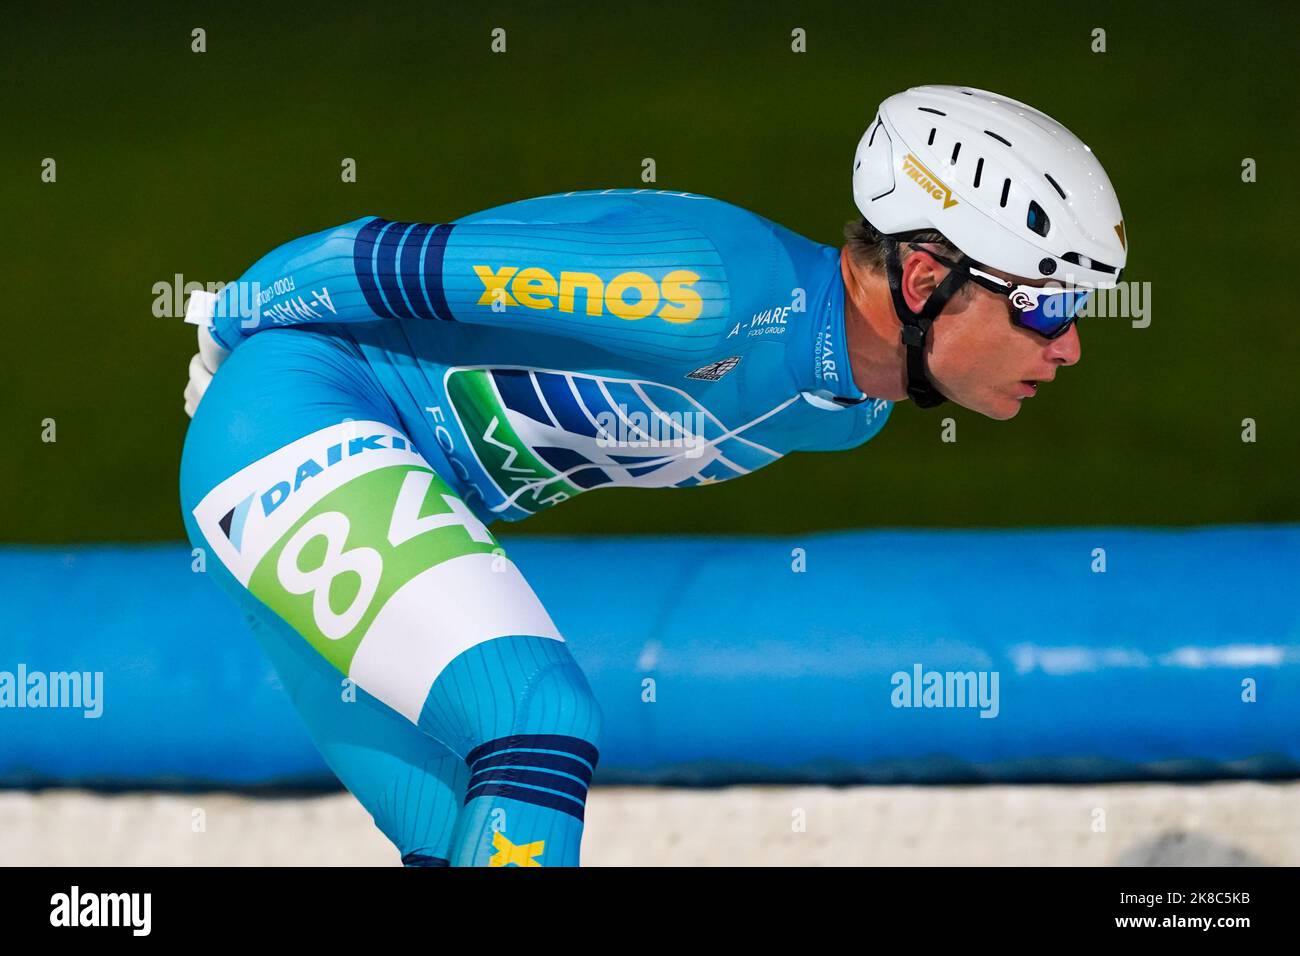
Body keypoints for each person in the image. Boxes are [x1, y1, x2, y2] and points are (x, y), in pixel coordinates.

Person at [179, 84, 1127, 866]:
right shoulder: (701, 293)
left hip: (332, 472)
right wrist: (225, 333)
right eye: (1048, 306)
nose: (1071, 345)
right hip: (295, 414)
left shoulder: (849, 413)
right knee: (537, 718)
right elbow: (384, 260)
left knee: (467, 829)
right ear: (923, 282)